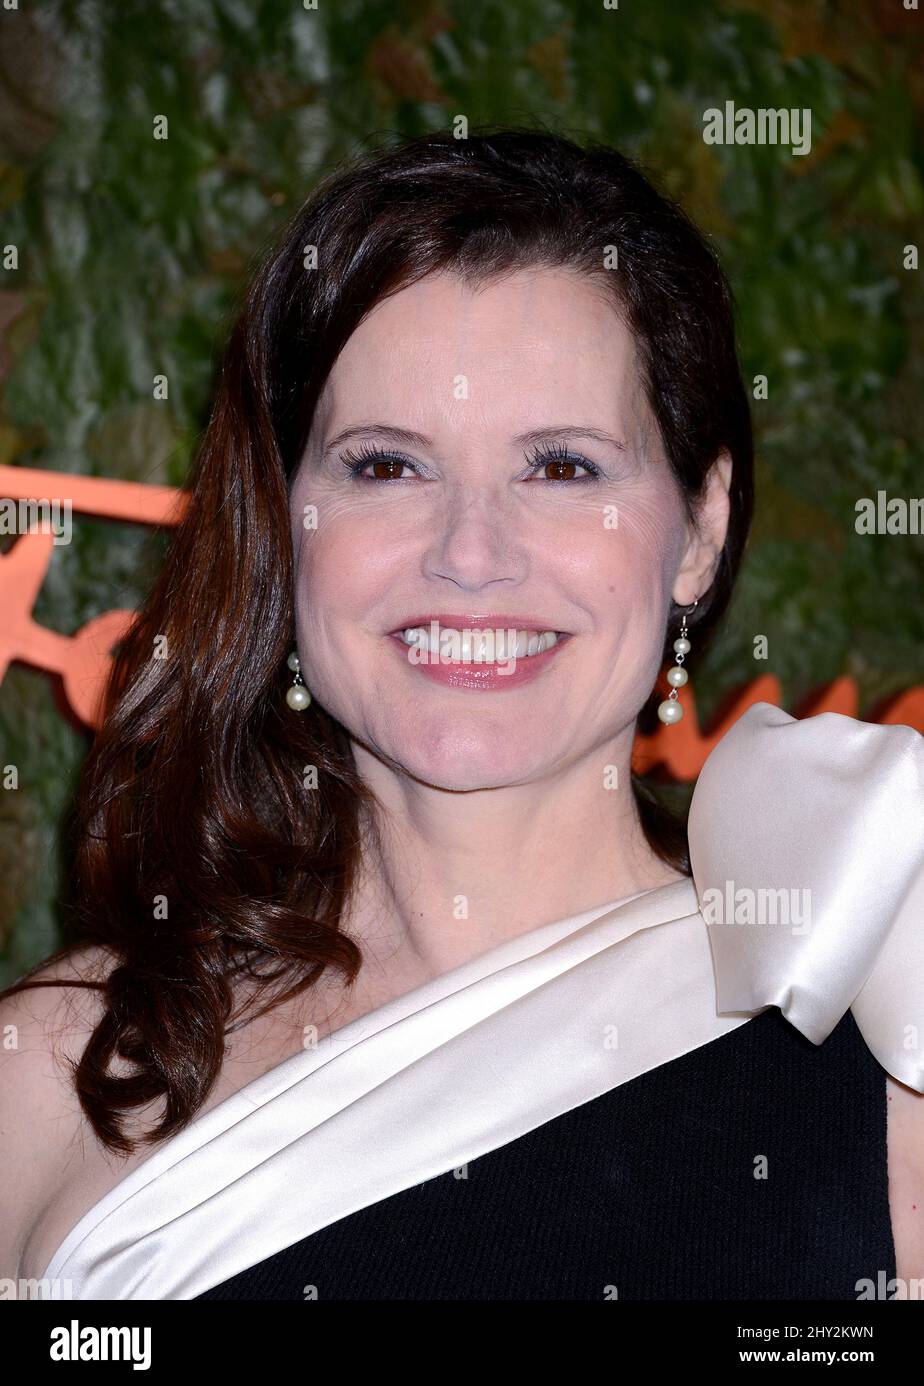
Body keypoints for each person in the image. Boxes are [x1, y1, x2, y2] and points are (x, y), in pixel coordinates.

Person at [1, 129, 921, 1301]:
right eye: (388, 466)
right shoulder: (52, 1081)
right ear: (284, 521)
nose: (471, 555)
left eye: (563, 468)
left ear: (698, 526)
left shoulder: (873, 1030)